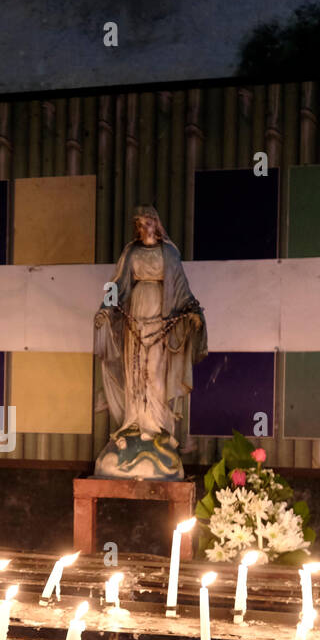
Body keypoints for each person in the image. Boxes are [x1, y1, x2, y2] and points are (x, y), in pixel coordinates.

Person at [92, 205, 207, 478]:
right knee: (135, 371)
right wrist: (106, 310)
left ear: (157, 225)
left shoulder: (170, 253)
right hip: (134, 316)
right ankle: (134, 422)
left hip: (161, 317)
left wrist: (193, 311)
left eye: (148, 224)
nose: (144, 229)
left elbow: (181, 288)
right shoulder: (130, 253)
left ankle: (156, 428)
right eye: (140, 225)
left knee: (155, 372)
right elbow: (117, 285)